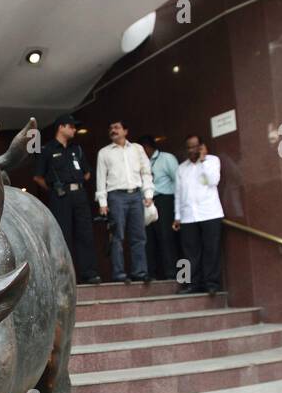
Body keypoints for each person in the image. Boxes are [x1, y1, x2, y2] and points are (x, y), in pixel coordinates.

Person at [33, 114, 101, 283]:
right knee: (63, 235)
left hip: (79, 195)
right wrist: (55, 190)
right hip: (60, 197)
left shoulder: (75, 149)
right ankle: (65, 276)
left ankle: (89, 273)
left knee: (85, 234)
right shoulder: (47, 150)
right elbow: (38, 177)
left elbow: (87, 172)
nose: (74, 130)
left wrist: (75, 185)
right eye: (71, 126)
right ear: (61, 127)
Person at [95, 120, 154, 282]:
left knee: (139, 236)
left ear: (125, 131)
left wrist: (148, 193)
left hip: (136, 195)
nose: (113, 130)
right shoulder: (104, 152)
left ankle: (140, 273)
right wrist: (103, 203)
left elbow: (146, 172)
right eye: (111, 128)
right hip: (115, 196)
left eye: (117, 128)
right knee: (117, 237)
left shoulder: (137, 149)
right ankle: (119, 274)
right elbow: (101, 178)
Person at [174, 134, 224, 294]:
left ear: (202, 146)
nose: (191, 150)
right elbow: (178, 194)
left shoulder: (213, 161)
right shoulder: (181, 168)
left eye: (194, 146)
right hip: (188, 216)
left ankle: (212, 284)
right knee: (189, 252)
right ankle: (191, 284)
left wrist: (203, 161)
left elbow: (213, 180)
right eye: (188, 147)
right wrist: (177, 216)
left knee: (211, 250)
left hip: (210, 213)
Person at [139, 134, 178, 280]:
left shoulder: (166, 158)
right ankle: (151, 273)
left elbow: (177, 181)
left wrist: (176, 206)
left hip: (164, 200)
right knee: (149, 239)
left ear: (148, 148)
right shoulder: (141, 163)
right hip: (147, 202)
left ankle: (175, 275)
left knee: (167, 238)